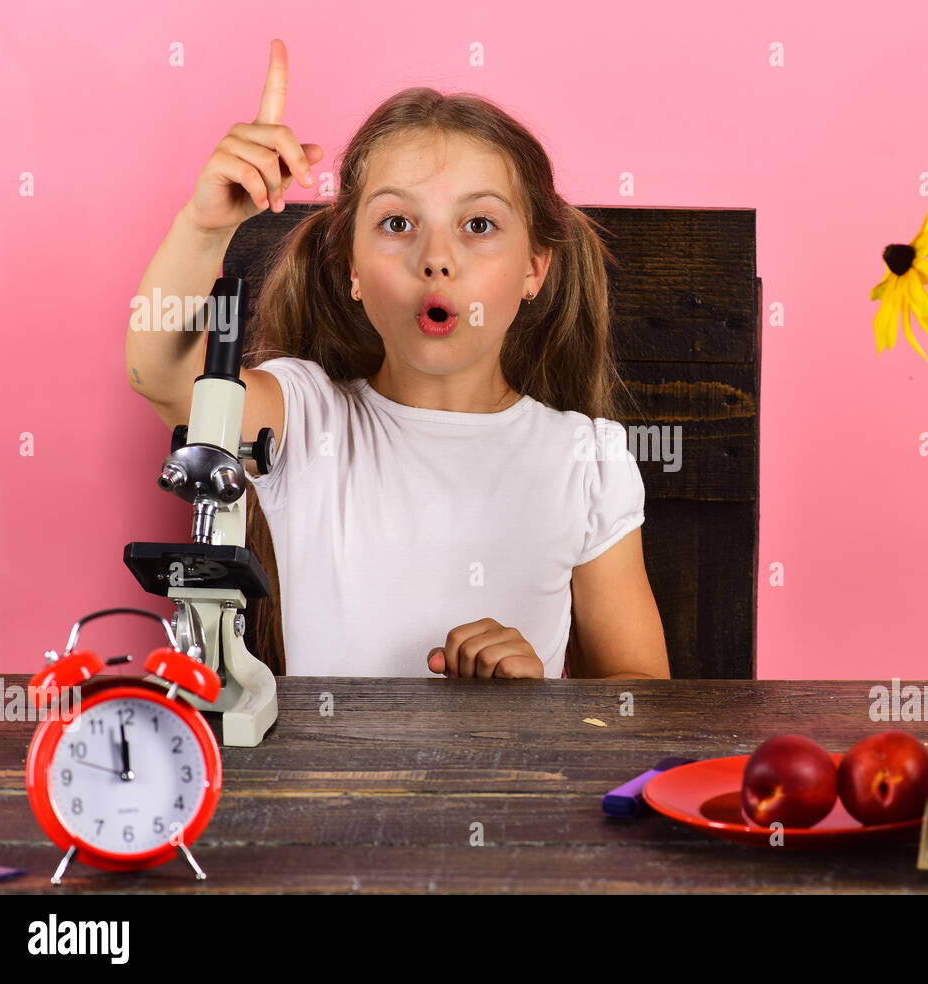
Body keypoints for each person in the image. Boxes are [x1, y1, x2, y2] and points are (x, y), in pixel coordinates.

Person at [127, 39, 670, 681]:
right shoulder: (304, 419)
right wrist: (205, 226)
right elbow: (161, 374)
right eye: (396, 224)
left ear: (534, 269)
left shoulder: (586, 461)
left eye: (478, 226)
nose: (435, 258)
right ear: (351, 269)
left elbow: (640, 708)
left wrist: (540, 703)